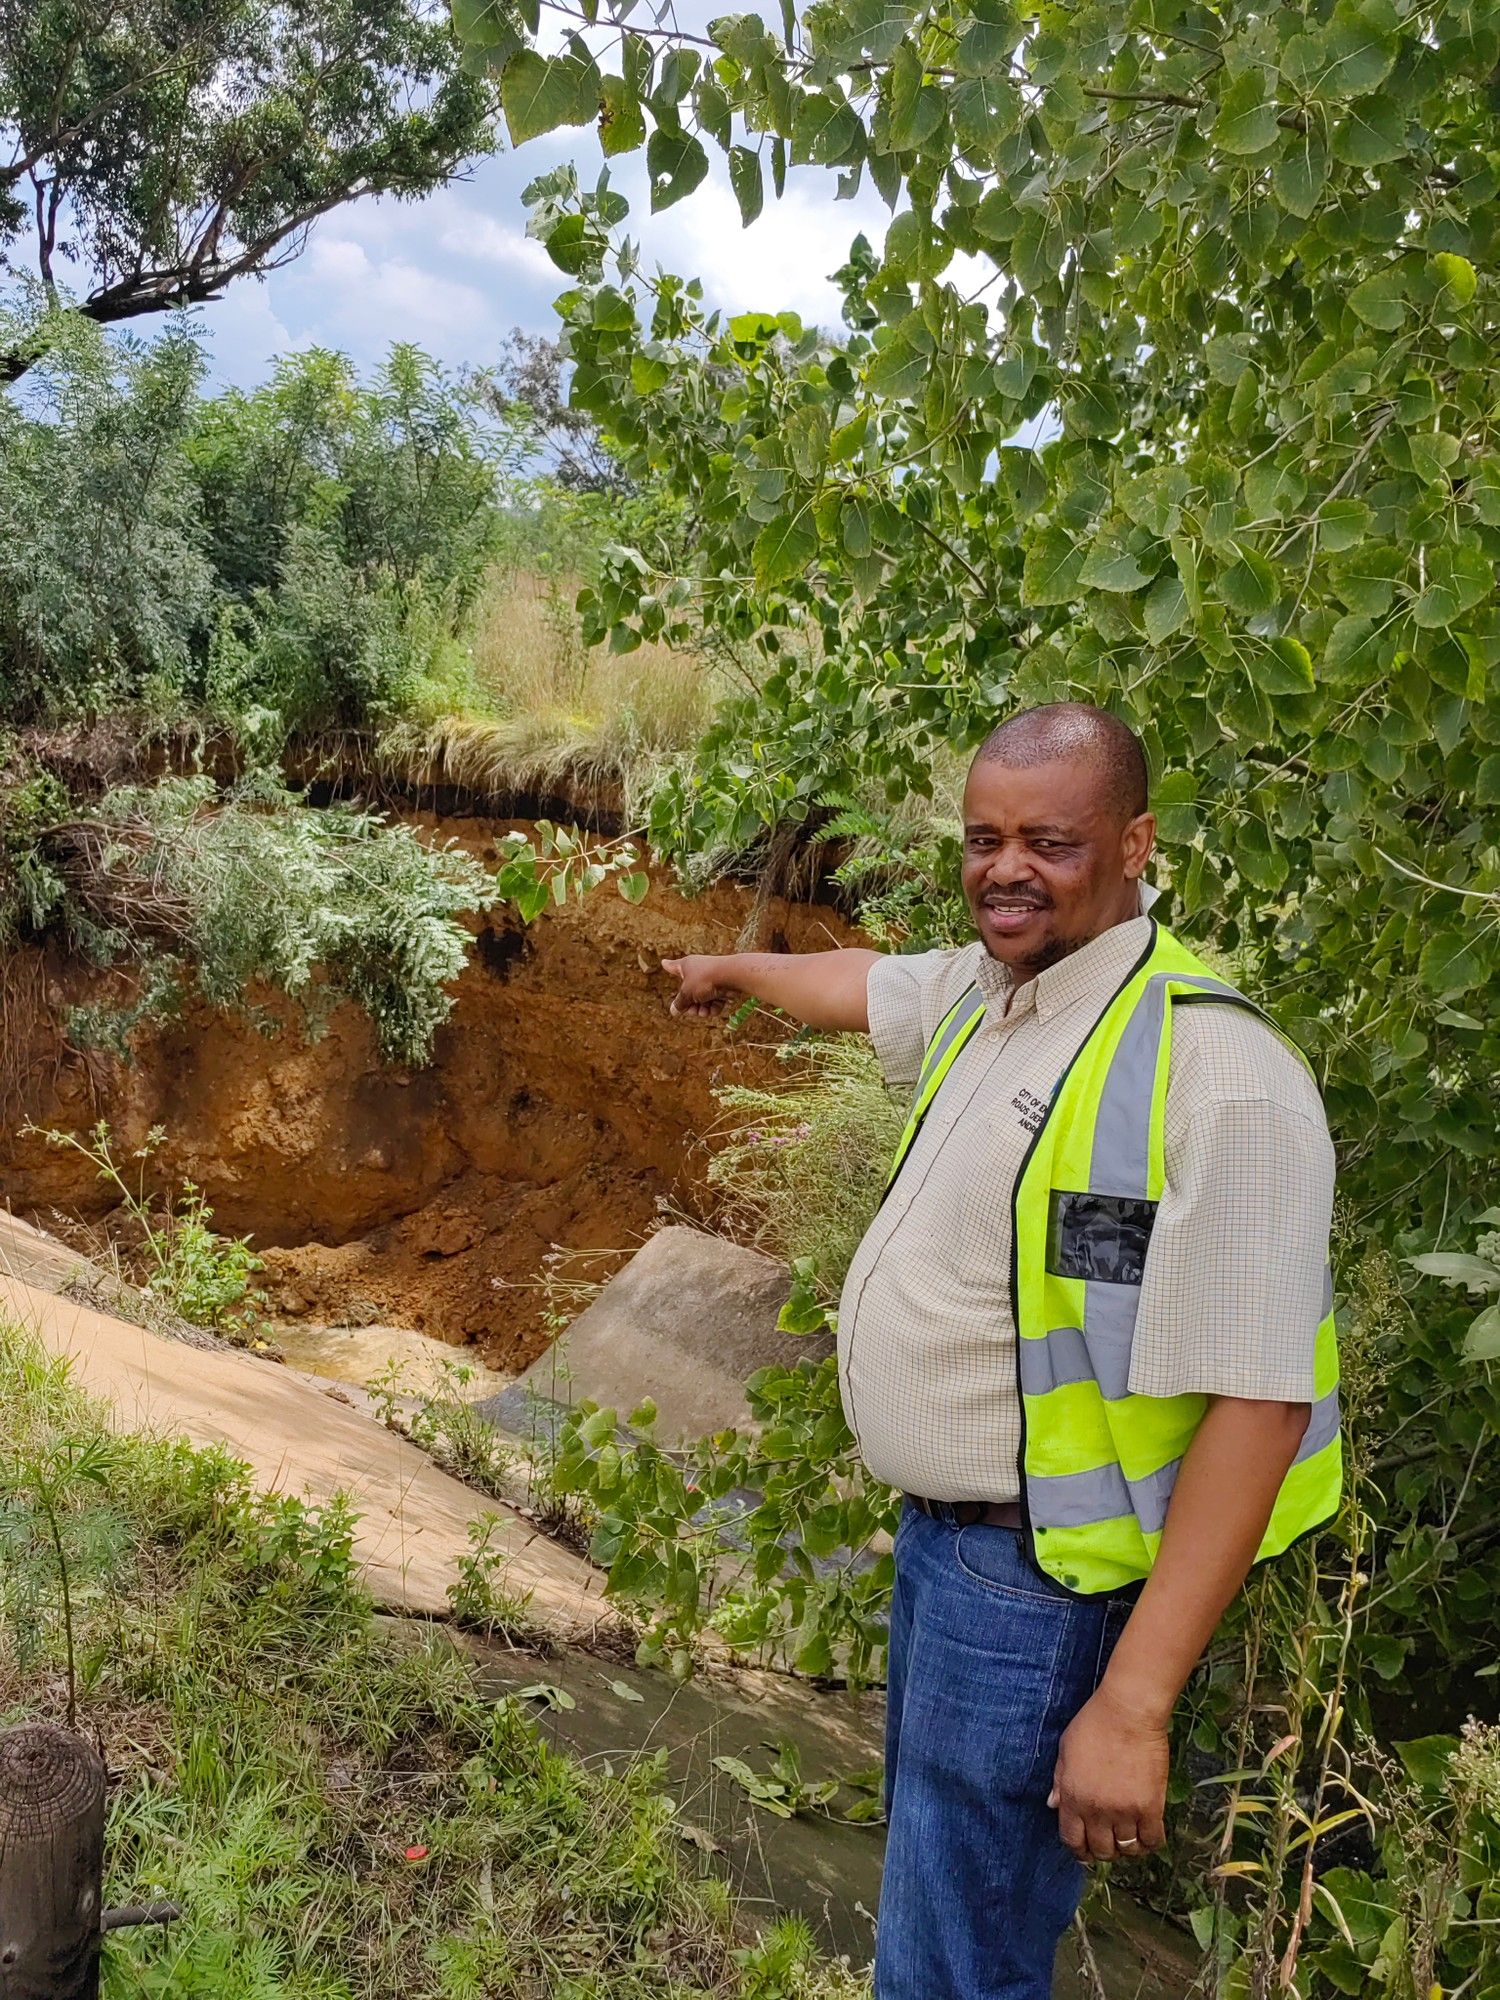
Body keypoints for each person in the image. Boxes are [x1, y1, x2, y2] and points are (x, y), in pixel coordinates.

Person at [662, 703, 1340, 2000]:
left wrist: (1133, 1704)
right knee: (937, 1940)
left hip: (1042, 1593)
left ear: (1137, 841)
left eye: (1050, 840)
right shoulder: (997, 995)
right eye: (983, 839)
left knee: (952, 1968)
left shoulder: (1216, 1072)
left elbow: (1260, 1403)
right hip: (949, 1554)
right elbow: (863, 985)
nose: (1005, 868)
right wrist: (734, 974)